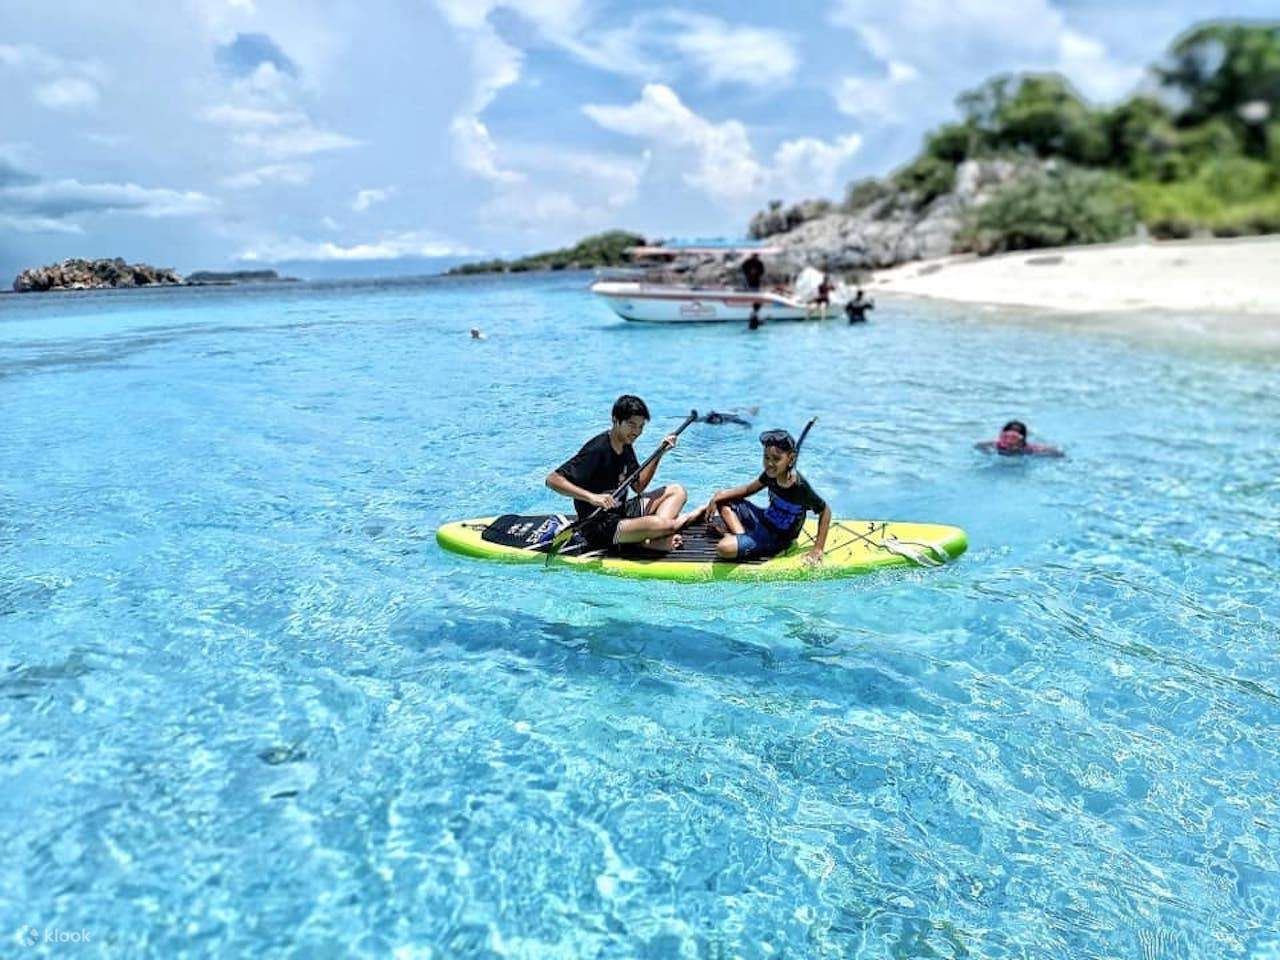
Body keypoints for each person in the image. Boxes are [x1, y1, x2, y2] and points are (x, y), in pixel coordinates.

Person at [546, 395, 696, 552]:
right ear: (615, 420)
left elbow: (638, 487)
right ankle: (652, 535)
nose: (636, 432)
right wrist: (593, 497)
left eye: (641, 427)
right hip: (600, 525)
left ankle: (648, 536)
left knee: (677, 491)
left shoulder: (626, 445)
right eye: (632, 425)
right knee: (660, 524)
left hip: (622, 512)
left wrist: (659, 454)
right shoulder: (597, 450)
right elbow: (552, 480)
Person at [701, 428, 832, 565]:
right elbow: (748, 489)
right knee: (724, 500)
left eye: (776, 459)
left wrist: (818, 548)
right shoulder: (771, 475)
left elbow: (825, 510)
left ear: (791, 459)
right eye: (766, 457)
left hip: (776, 538)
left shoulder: (800, 488)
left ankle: (738, 538)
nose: (769, 463)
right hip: (763, 520)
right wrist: (717, 497)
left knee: (723, 548)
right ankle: (742, 536)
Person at [975, 420, 1064, 457]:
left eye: (1014, 438)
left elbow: (1058, 453)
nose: (1008, 441)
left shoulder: (1030, 449)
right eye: (1005, 436)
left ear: (1022, 439)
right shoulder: (994, 445)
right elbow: (977, 446)